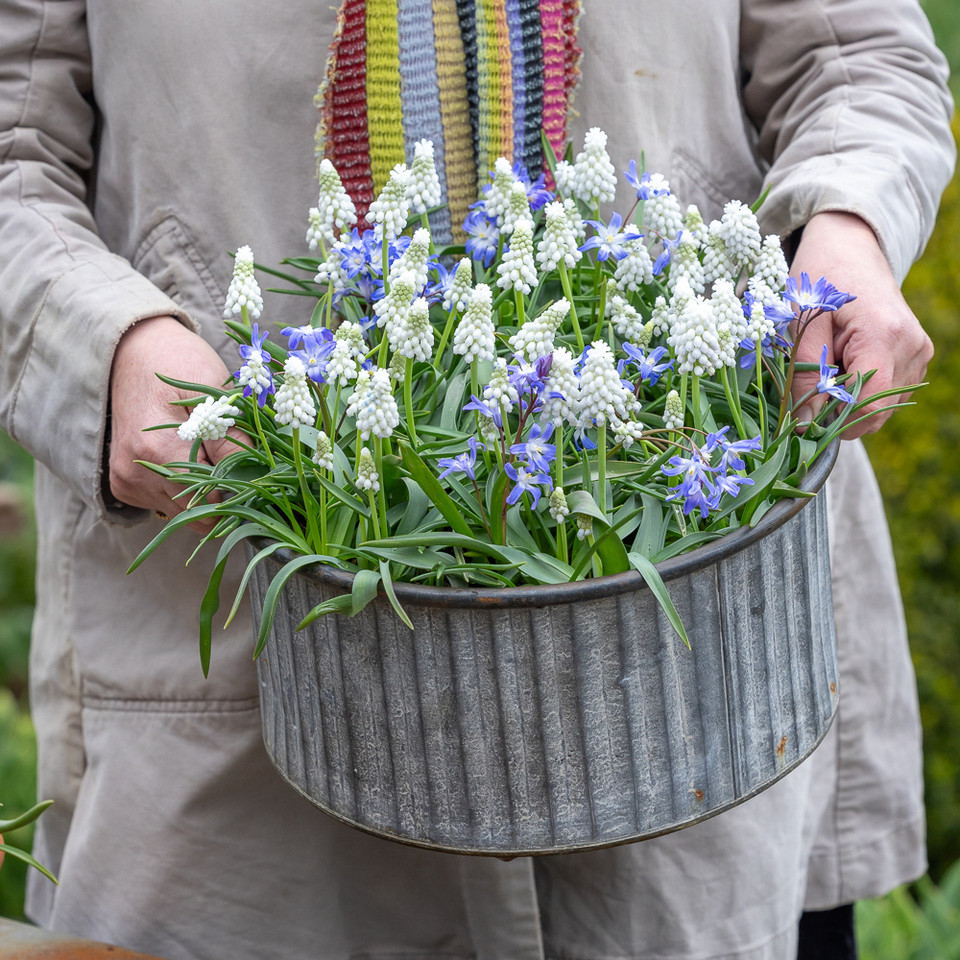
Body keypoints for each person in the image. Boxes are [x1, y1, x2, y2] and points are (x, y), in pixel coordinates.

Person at [0, 2, 953, 958]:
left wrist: (852, 225)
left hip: (706, 695)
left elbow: (856, 57)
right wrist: (104, 346)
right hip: (245, 728)